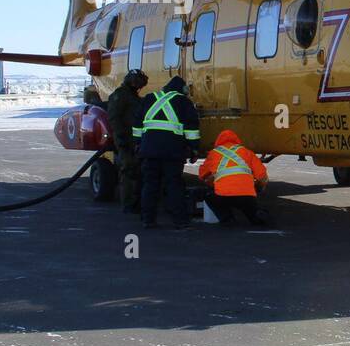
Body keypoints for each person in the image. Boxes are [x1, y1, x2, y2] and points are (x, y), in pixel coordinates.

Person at [132, 75, 200, 230]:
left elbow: (137, 125)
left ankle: (147, 220)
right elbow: (191, 129)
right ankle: (180, 221)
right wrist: (194, 148)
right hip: (172, 152)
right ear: (182, 90)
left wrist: (137, 144)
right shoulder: (184, 102)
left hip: (149, 151)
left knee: (150, 185)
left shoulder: (149, 98)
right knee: (173, 185)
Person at [197, 129, 269, 226]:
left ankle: (227, 218)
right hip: (246, 195)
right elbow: (262, 177)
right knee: (248, 206)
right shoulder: (247, 152)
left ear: (218, 141)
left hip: (223, 196)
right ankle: (256, 215)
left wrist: (212, 182)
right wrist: (256, 189)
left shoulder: (214, 153)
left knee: (207, 194)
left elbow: (202, 175)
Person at [105, 69, 148, 214]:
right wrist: (121, 137)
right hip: (125, 140)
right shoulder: (120, 95)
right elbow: (114, 117)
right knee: (128, 170)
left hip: (134, 140)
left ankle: (135, 202)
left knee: (137, 171)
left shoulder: (133, 97)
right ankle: (128, 204)